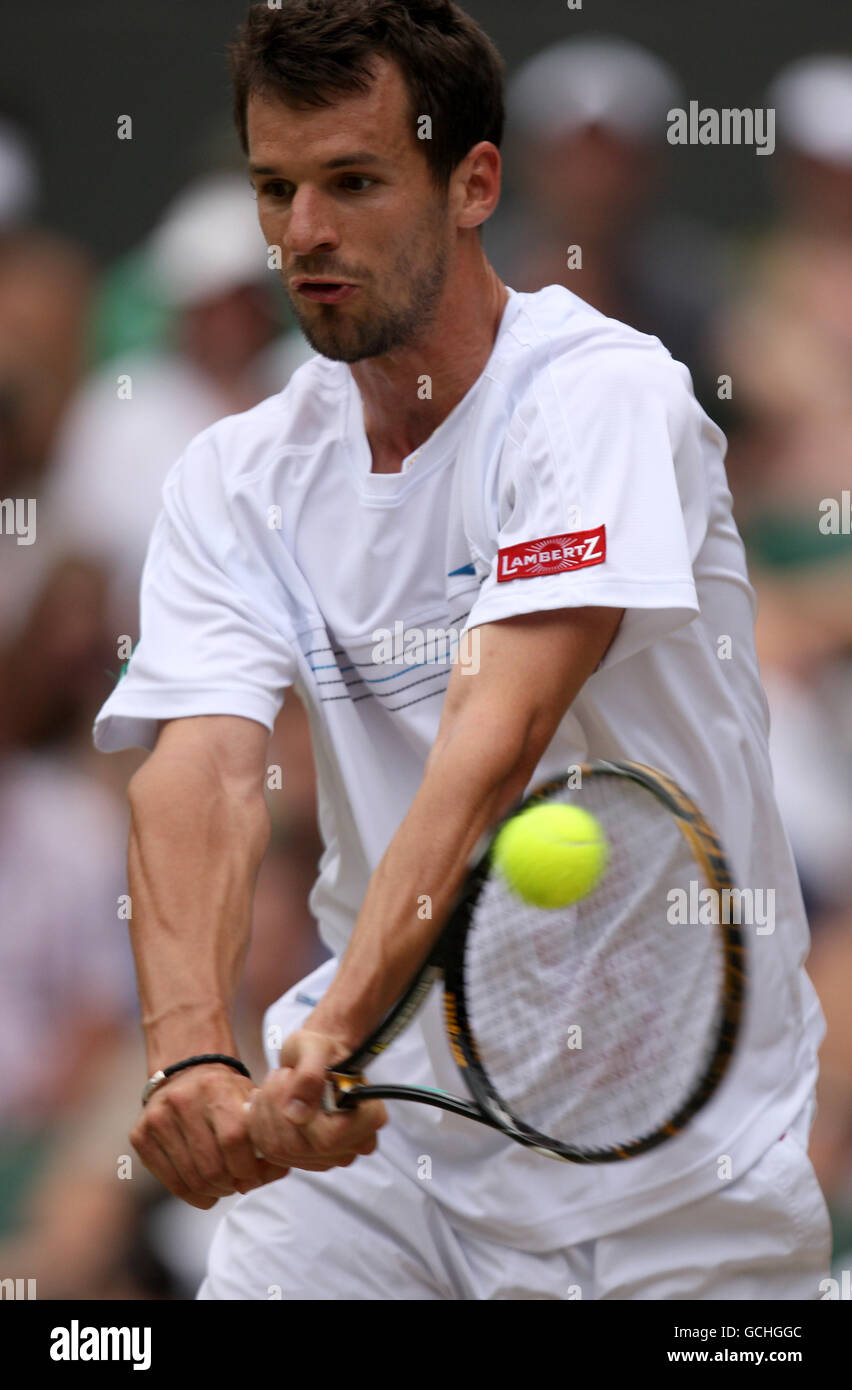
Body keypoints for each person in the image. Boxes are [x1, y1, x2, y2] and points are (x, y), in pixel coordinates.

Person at [93, 0, 830, 1300]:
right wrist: (196, 1057)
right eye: (276, 187)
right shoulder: (235, 475)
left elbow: (498, 733)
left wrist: (333, 1023)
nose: (304, 233)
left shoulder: (603, 397)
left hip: (672, 1184)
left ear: (474, 181)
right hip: (374, 1172)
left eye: (355, 182)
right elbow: (200, 766)